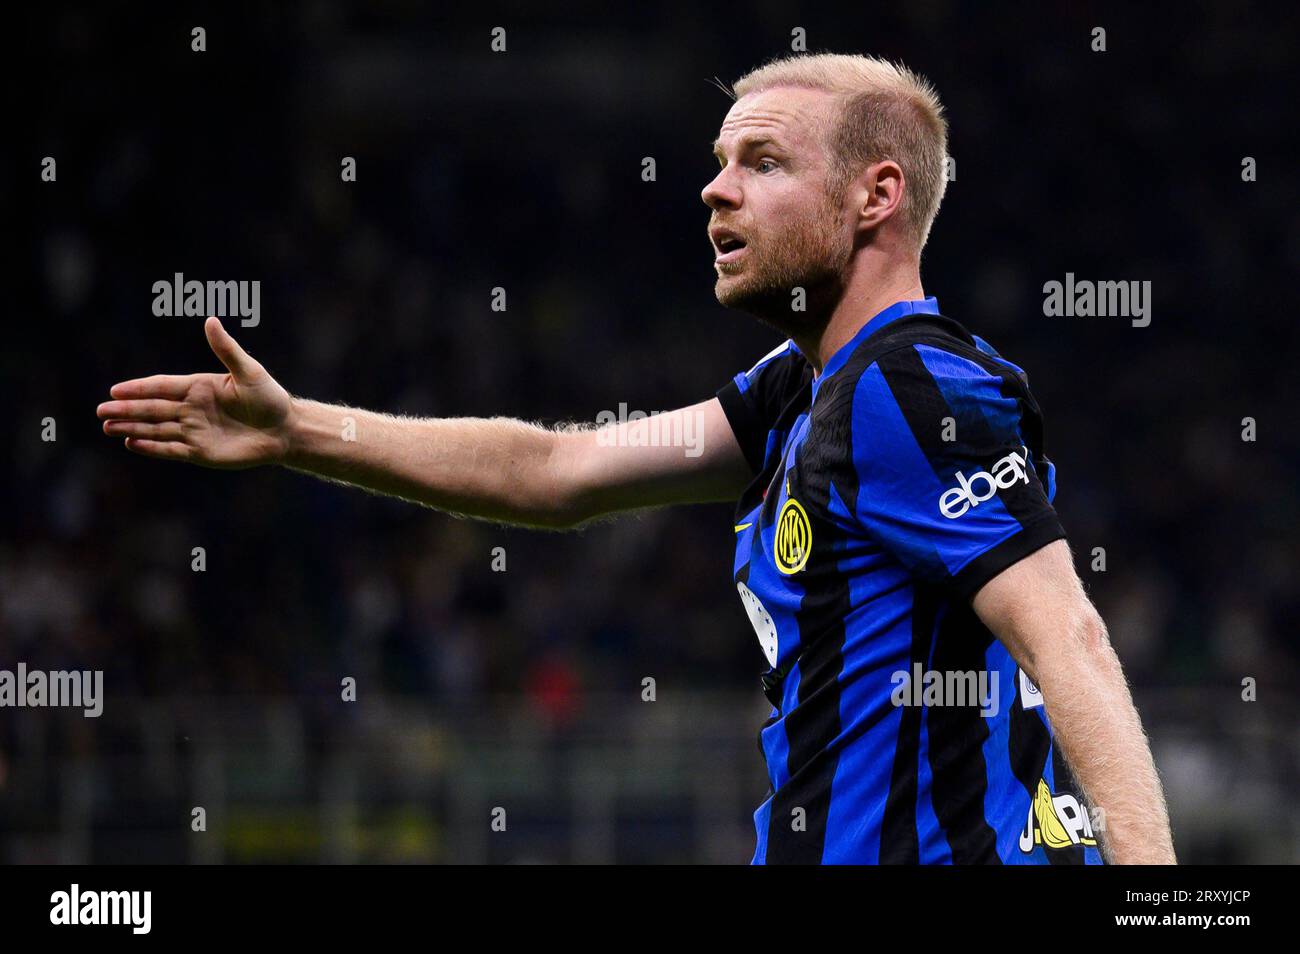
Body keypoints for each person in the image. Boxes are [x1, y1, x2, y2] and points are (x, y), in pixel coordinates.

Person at [97, 53, 1176, 864]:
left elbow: (1067, 635)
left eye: (761, 162)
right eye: (715, 165)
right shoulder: (799, 394)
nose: (714, 190)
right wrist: (298, 431)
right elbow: (555, 476)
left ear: (875, 197)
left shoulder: (908, 387)